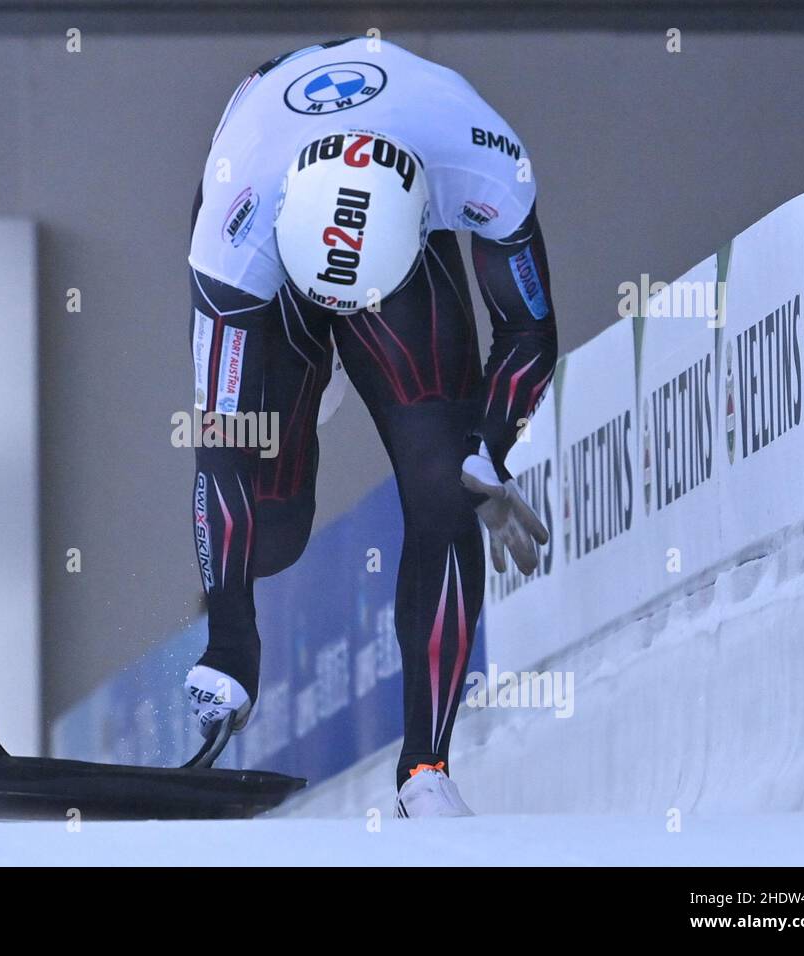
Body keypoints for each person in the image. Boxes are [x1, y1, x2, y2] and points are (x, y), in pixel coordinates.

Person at [185, 37, 556, 817]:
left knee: (444, 484)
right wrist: (229, 641)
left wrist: (491, 445)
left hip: (400, 268)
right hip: (273, 263)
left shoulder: (481, 157)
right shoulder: (232, 227)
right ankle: (310, 370)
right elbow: (217, 449)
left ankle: (426, 768)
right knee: (275, 529)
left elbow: (528, 333)